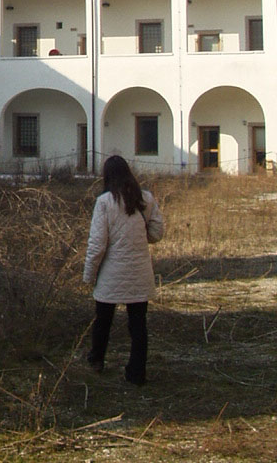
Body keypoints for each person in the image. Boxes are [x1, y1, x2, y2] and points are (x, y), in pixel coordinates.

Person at [83, 155, 164, 385]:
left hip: (111, 273)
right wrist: (141, 236)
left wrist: (89, 274)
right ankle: (137, 373)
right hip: (140, 272)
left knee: (103, 321)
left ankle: (96, 361)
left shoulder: (104, 202)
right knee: (138, 325)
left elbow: (97, 245)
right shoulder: (145, 199)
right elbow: (158, 232)